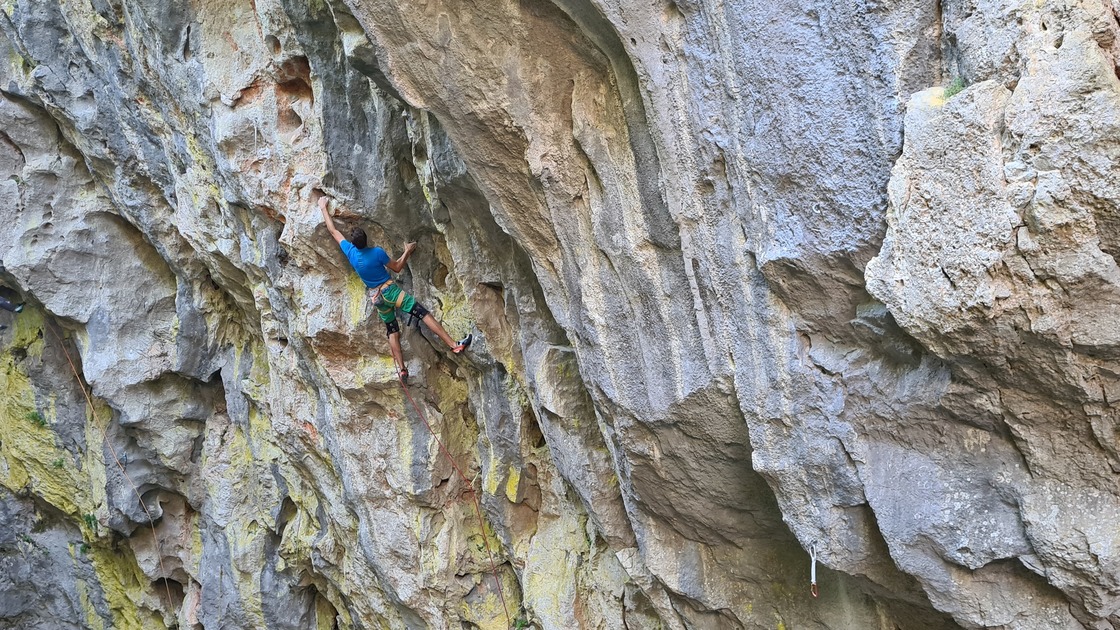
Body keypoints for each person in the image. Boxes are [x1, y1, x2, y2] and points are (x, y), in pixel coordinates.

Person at [317, 193, 471, 383]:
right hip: (390, 291)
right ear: (366, 240)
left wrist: (323, 207)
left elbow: (333, 231)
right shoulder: (376, 253)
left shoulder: (350, 253)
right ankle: (453, 345)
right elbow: (397, 267)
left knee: (392, 330)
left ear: (353, 244)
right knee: (422, 313)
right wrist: (407, 251)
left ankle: (402, 370)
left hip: (377, 298)